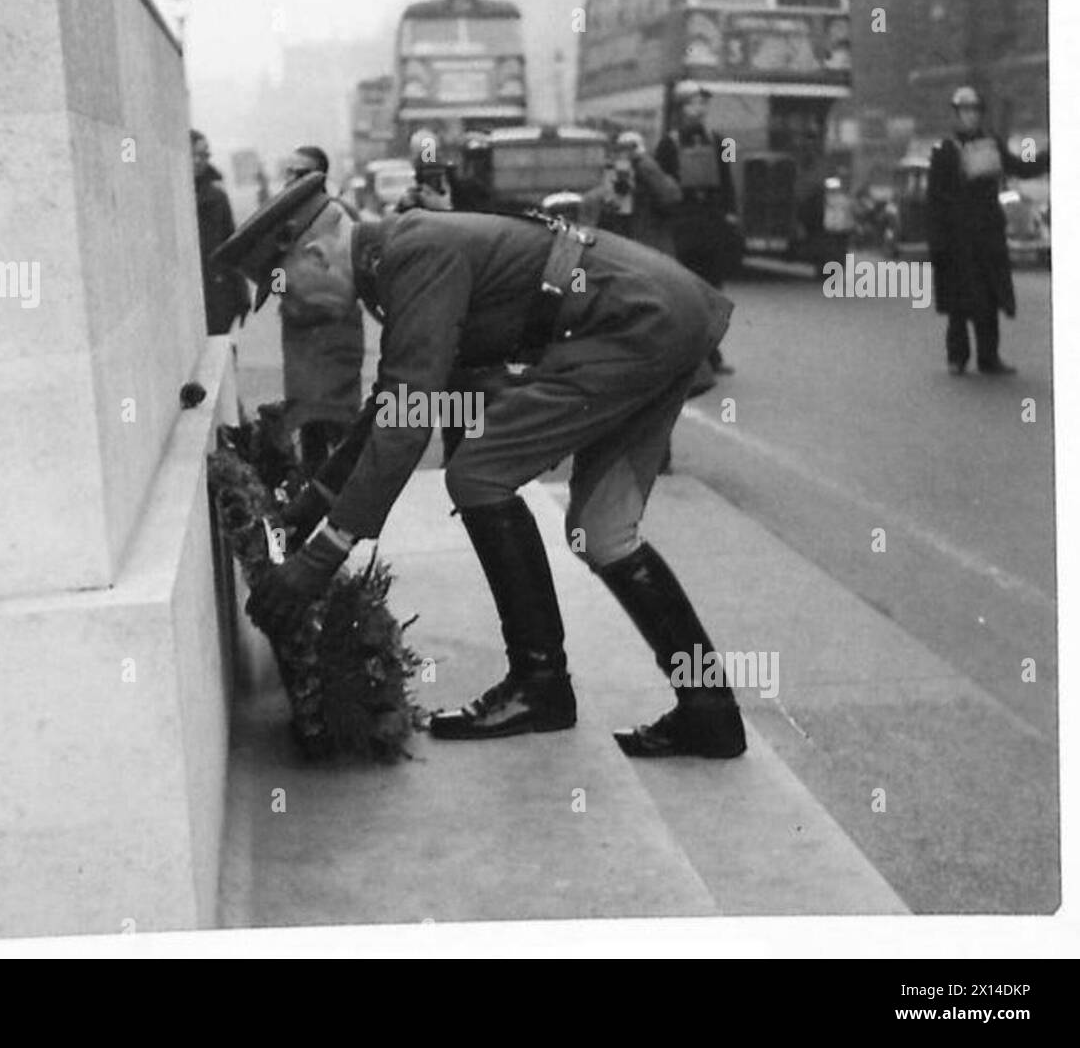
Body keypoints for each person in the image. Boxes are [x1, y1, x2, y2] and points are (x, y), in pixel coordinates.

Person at [213, 172, 747, 759]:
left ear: (314, 252)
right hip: (657, 315)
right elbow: (394, 403)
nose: (294, 307)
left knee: (476, 473)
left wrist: (324, 553)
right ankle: (710, 712)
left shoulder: (413, 254)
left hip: (636, 321)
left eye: (285, 288)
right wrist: (308, 509)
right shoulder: (398, 258)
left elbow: (409, 415)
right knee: (604, 535)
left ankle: (541, 685)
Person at [926, 86, 1048, 375]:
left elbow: (1019, 166)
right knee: (959, 301)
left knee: (989, 298)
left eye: (974, 111)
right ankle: (957, 357)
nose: (970, 117)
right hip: (957, 237)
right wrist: (938, 241)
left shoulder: (992, 144)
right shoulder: (944, 150)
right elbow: (935, 199)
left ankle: (988, 357)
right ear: (956, 115)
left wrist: (1046, 157)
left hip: (987, 234)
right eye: (964, 111)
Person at [277, 146, 366, 475]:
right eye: (290, 172)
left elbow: (361, 266)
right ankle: (311, 492)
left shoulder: (342, 214)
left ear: (320, 177)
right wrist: (283, 285)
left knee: (342, 420)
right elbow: (269, 273)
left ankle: (347, 496)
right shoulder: (280, 220)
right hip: (300, 334)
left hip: (337, 329)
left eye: (301, 173)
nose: (292, 179)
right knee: (307, 419)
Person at [654, 82, 740, 373]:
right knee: (687, 294)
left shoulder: (720, 142)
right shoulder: (668, 144)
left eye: (703, 103)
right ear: (680, 109)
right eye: (692, 103)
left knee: (714, 292)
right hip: (683, 226)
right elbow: (659, 185)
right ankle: (688, 357)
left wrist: (730, 214)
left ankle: (712, 356)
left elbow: (727, 181)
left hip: (711, 224)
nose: (699, 109)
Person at [580, 130, 681, 255]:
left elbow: (672, 198)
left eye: (635, 163)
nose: (628, 168)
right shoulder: (600, 196)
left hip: (650, 253)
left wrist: (649, 172)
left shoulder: (657, 188)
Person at [191, 130, 247, 335]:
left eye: (204, 155)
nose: (199, 161)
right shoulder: (172, 194)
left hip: (218, 294)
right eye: (193, 155)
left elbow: (232, 246)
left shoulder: (217, 197)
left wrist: (242, 295)